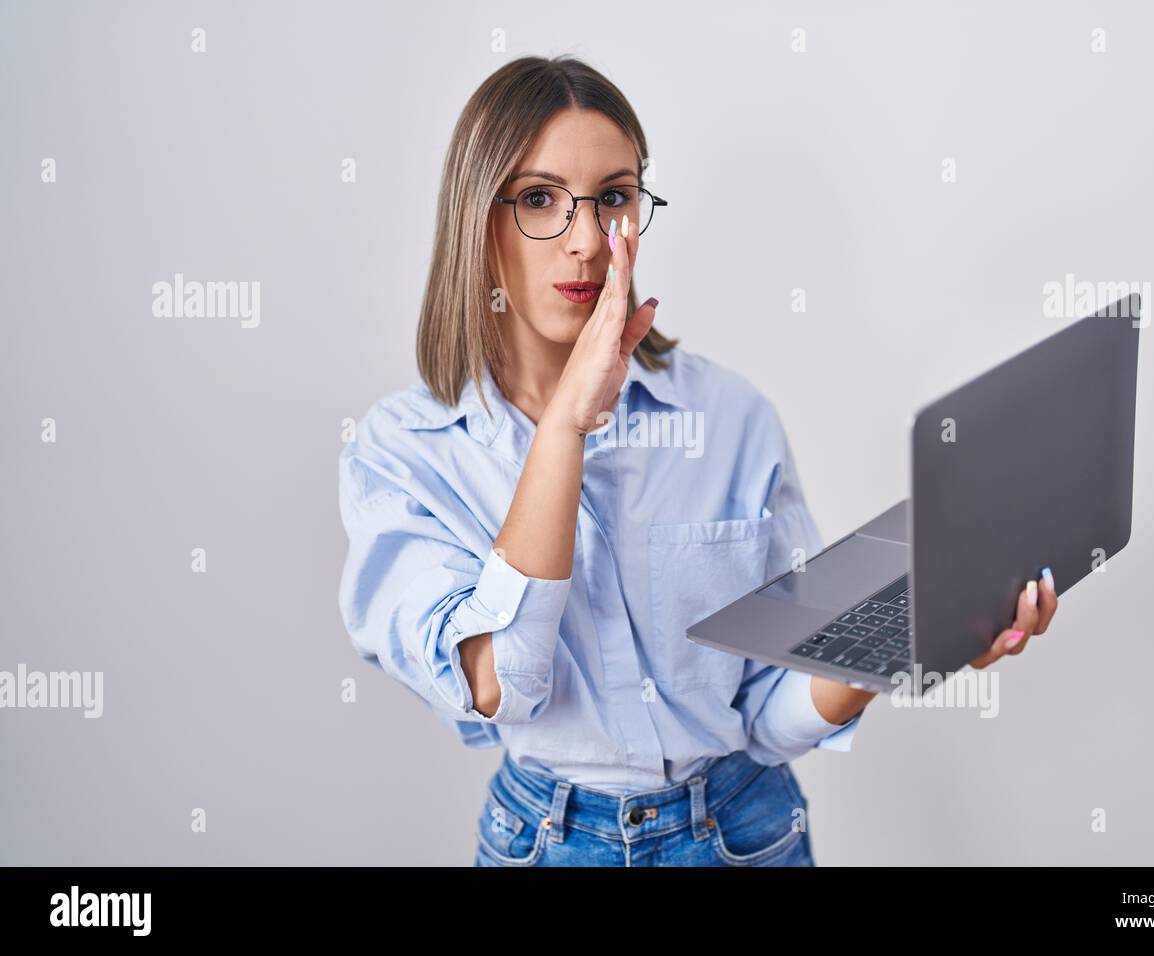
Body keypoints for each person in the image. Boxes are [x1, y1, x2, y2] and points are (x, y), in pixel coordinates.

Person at [336, 55, 1058, 867]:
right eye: (540, 199)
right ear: (477, 219)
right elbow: (501, 681)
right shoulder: (401, 453)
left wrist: (898, 642)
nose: (585, 241)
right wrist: (567, 426)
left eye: (612, 198)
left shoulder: (727, 415)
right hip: (549, 844)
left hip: (747, 831)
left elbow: (766, 711)